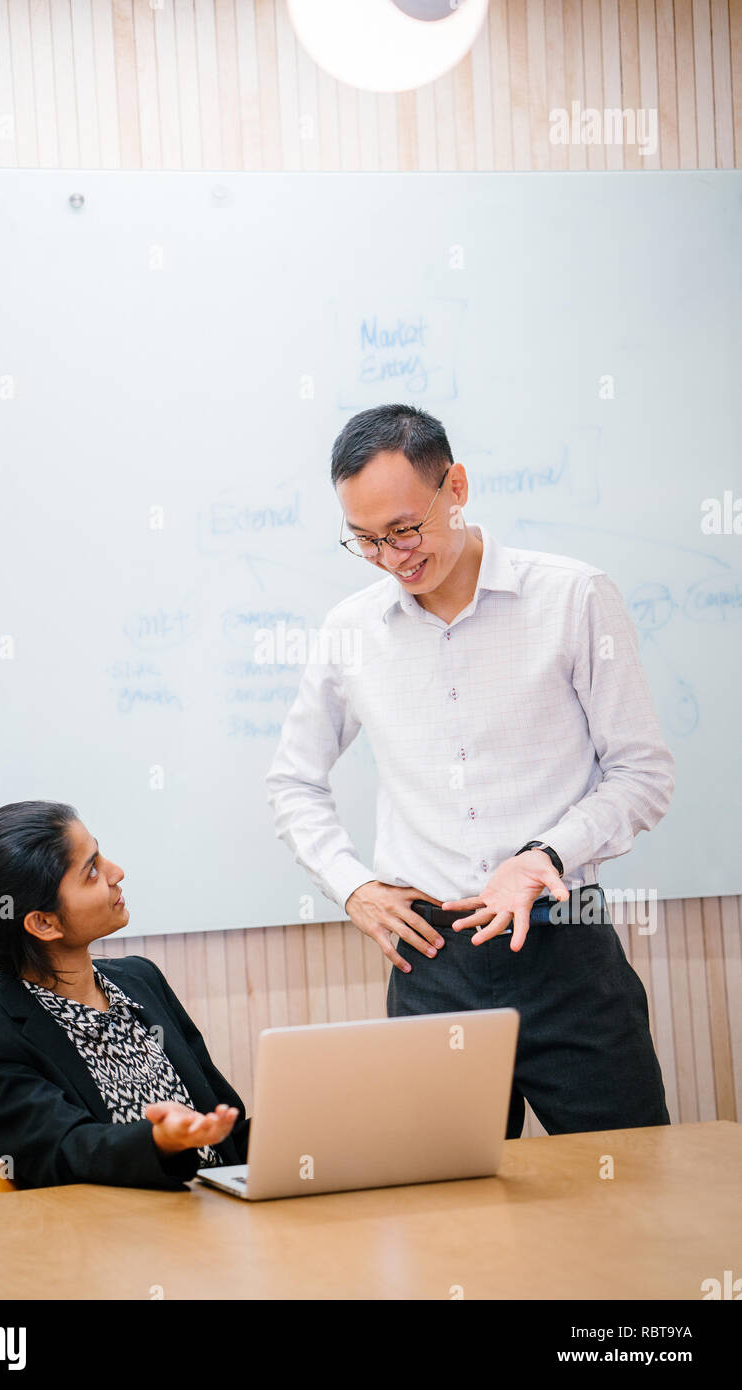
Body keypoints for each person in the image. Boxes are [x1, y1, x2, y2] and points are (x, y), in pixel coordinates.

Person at [266, 403, 674, 1138]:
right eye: (365, 541)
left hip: (565, 947)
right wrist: (351, 885)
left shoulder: (573, 597)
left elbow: (640, 774)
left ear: (454, 485)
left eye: (404, 529)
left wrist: (543, 856)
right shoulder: (352, 632)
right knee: (447, 1221)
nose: (393, 558)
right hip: (432, 964)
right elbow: (293, 780)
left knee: (630, 1188)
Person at [0, 801, 248, 1189]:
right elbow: (68, 1150)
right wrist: (161, 1143)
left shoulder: (141, 980)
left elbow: (228, 1136)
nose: (116, 873)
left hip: (227, 1219)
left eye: (100, 855)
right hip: (114, 1241)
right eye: (91, 871)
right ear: (43, 922)